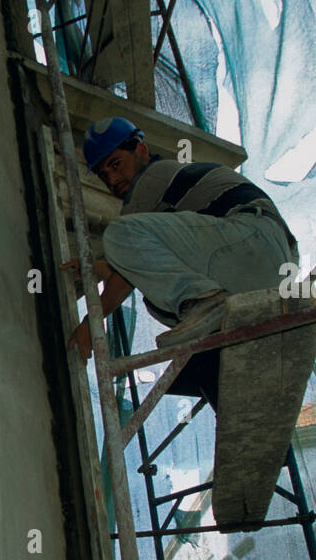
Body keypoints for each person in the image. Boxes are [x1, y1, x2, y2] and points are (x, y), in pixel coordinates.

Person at [66, 117, 302, 390]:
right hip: (269, 268)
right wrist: (105, 269)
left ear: (141, 151)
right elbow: (138, 269)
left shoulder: (153, 177)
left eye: (116, 164)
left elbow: (126, 269)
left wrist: (90, 322)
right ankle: (223, 335)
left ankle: (207, 307)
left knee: (120, 234)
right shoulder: (172, 200)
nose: (112, 179)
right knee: (158, 301)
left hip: (250, 236)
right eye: (103, 174)